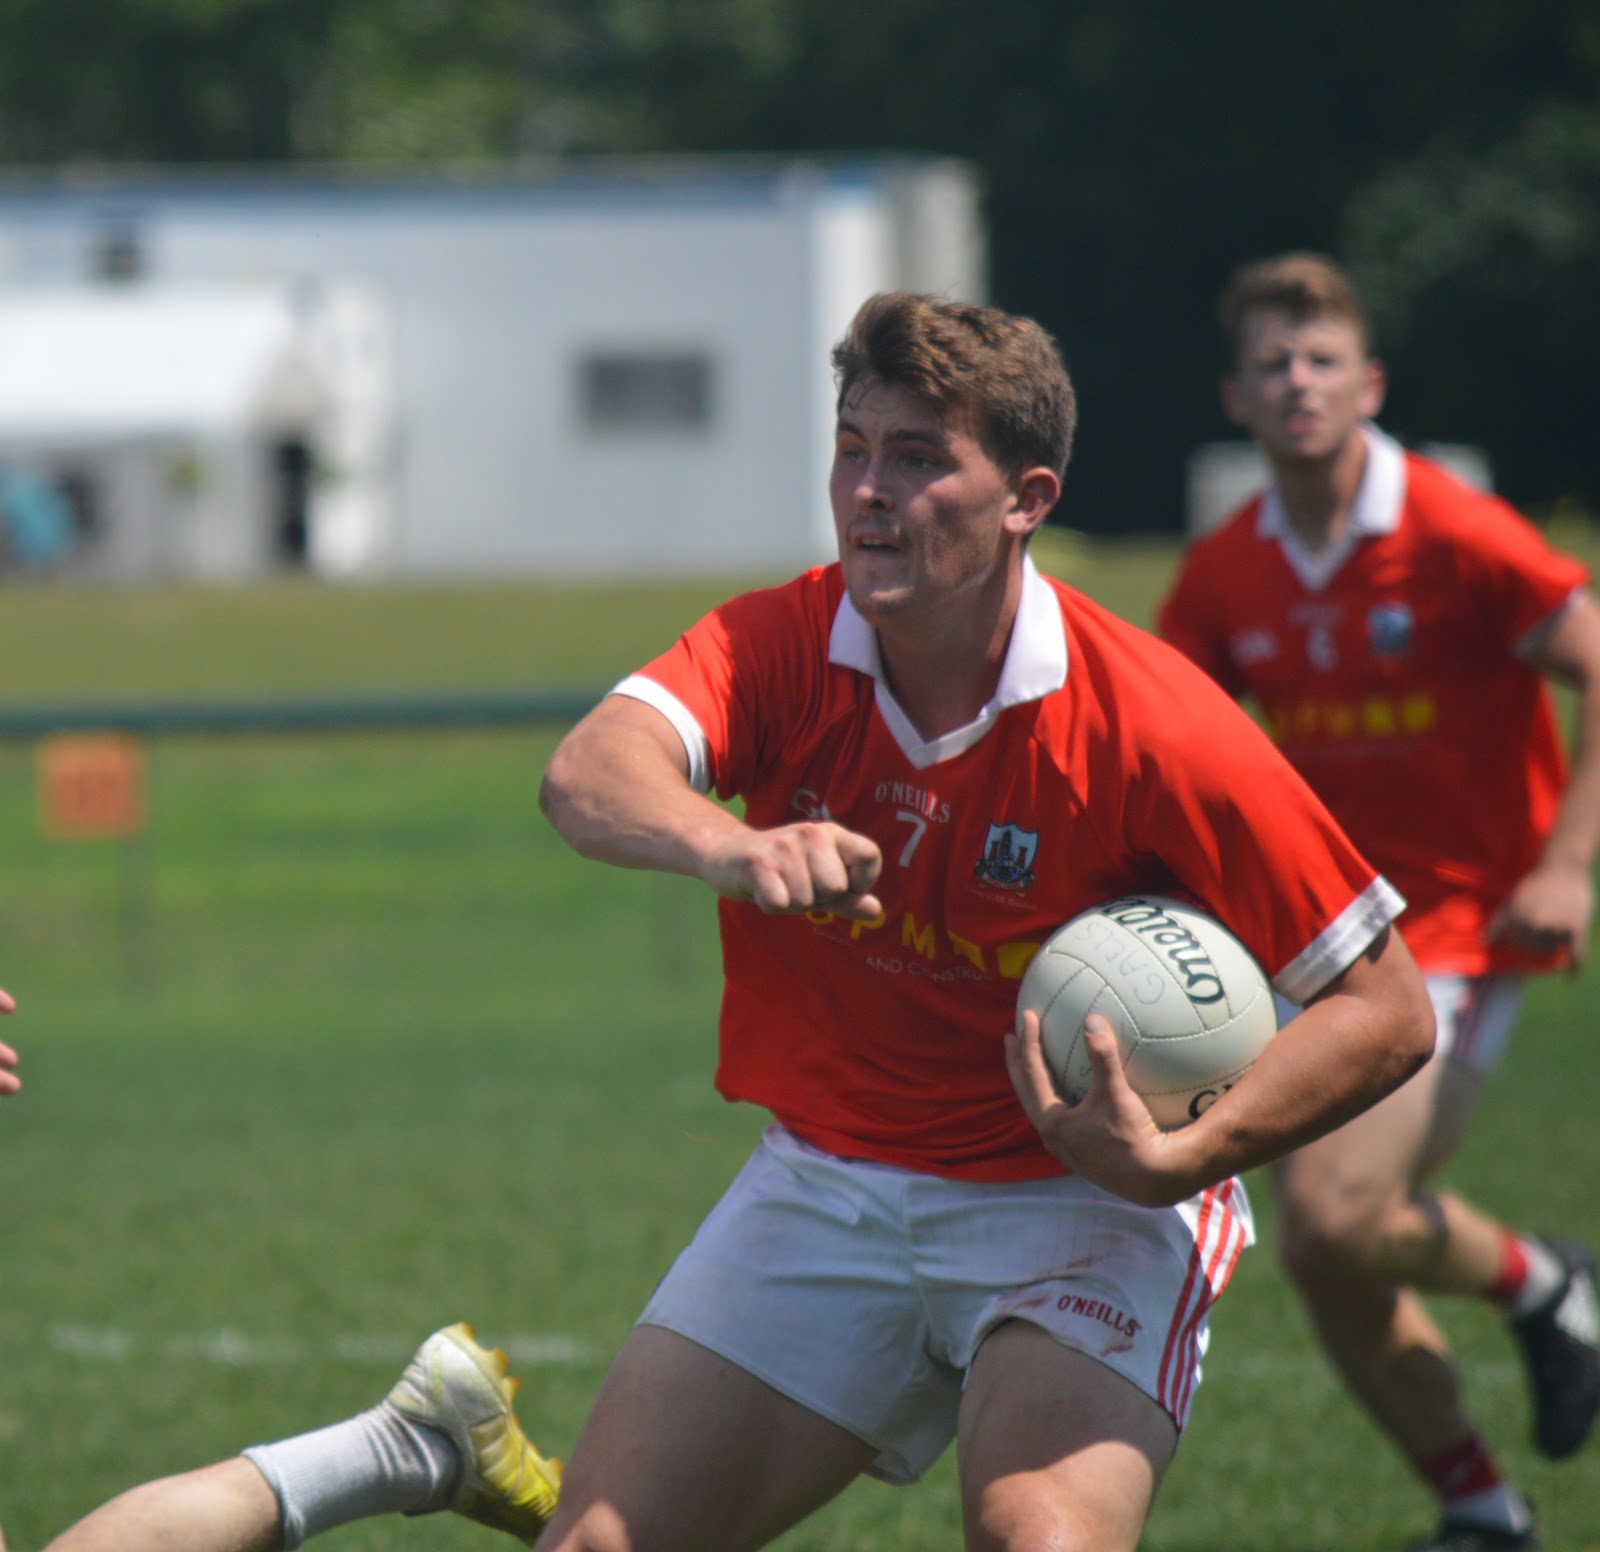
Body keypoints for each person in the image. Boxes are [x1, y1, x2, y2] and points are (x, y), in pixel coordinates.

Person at [41, 291, 1434, 1552]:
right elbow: (586, 772)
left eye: (918, 460)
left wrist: (1177, 1156)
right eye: (853, 450)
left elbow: (1386, 1009)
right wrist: (731, 843)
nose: (870, 495)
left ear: (1027, 498)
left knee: (1040, 1542)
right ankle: (430, 1453)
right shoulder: (781, 644)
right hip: (831, 1182)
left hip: (1078, 1207)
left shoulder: (1156, 727)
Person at [1158, 251, 1600, 1552]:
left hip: (1465, 923)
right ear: (1236, 396)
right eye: (1272, 365)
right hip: (1324, 934)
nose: (1298, 384)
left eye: (1321, 361)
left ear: (1369, 384)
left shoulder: (1454, 531)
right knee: (1323, 1252)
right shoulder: (1232, 568)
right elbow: (1168, 734)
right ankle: (1479, 1502)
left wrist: (1570, 861)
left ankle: (1543, 1282)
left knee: (1338, 1216)